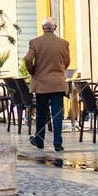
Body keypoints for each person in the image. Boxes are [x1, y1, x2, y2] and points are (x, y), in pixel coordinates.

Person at [23, 17, 72, 153]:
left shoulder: (35, 42)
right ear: (55, 27)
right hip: (58, 83)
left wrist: (32, 70)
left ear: (42, 27)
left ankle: (39, 141)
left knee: (41, 113)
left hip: (41, 84)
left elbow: (27, 59)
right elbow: (67, 62)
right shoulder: (64, 43)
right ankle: (58, 142)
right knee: (57, 113)